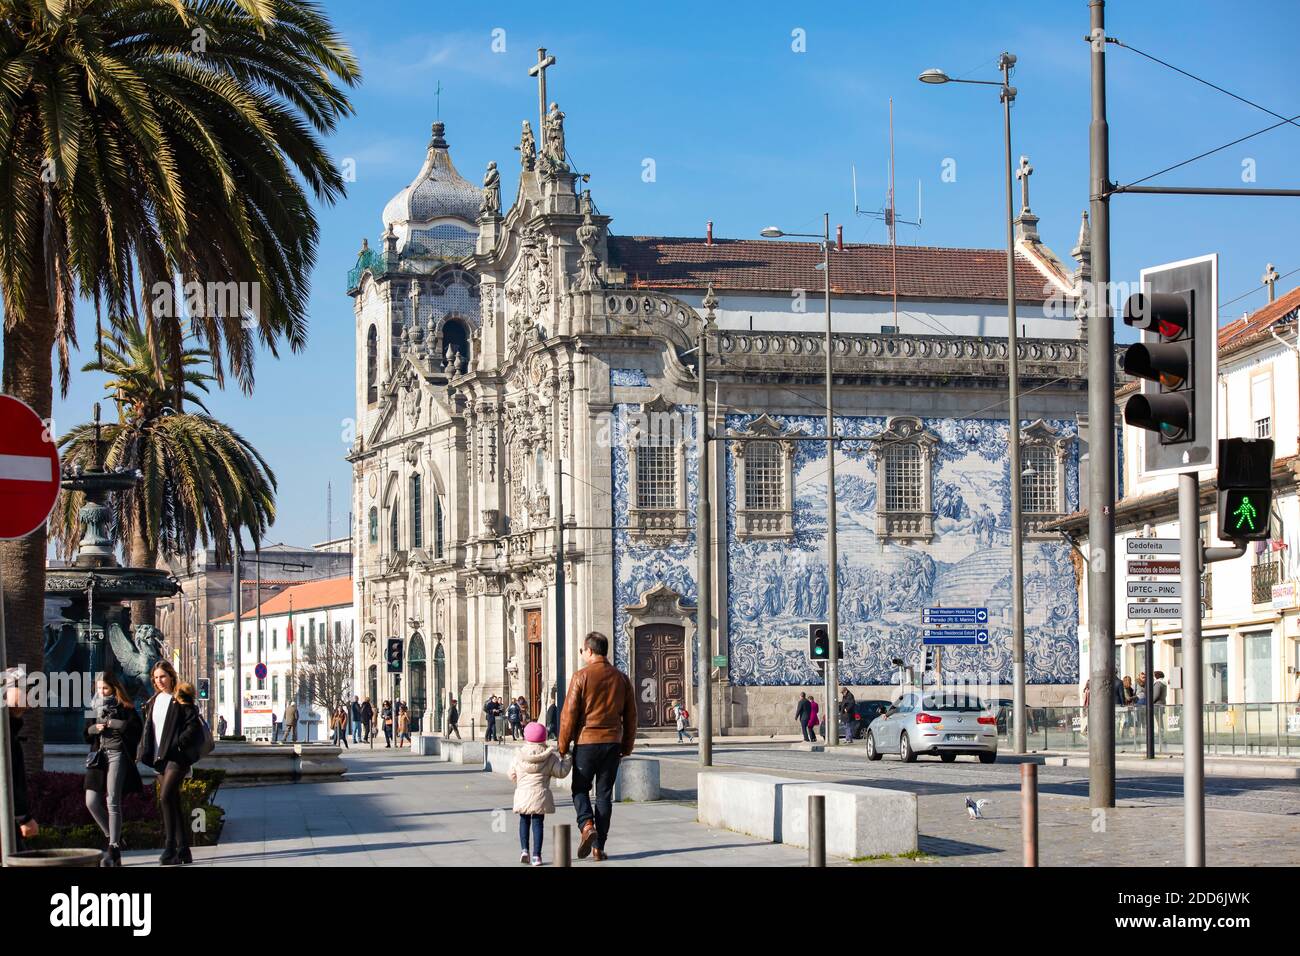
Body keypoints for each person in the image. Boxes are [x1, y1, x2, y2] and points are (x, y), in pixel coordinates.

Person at [558, 632, 637, 862]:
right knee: (604, 795)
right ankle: (598, 847)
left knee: (580, 789)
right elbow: (631, 716)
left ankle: (586, 824)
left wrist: (562, 746)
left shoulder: (581, 676)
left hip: (586, 743)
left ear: (589, 651)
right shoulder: (621, 678)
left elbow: (568, 715)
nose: (582, 654)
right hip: (612, 743)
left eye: (582, 651)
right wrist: (627, 746)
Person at [138, 661, 204, 866]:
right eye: (156, 678)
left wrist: (177, 744)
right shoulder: (154, 700)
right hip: (160, 758)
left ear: (171, 676)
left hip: (176, 757)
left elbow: (193, 725)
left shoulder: (180, 698)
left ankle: (169, 848)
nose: (159, 681)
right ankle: (184, 849)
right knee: (173, 801)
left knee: (165, 797)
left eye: (163, 677)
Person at [84, 673, 144, 867]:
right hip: (97, 757)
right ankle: (112, 836)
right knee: (91, 801)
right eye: (99, 689)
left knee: (112, 800)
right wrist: (95, 729)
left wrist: (114, 724)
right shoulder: (92, 707)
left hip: (118, 755)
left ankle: (113, 847)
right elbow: (85, 733)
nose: (101, 692)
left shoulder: (125, 707)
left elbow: (136, 729)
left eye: (105, 689)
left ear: (114, 688)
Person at [509, 721, 572, 866]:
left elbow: (511, 774)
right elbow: (561, 772)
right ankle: (537, 856)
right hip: (540, 795)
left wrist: (520, 782)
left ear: (526, 737)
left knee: (524, 821)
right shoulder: (549, 757)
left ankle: (524, 850)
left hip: (523, 794)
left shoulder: (519, 755)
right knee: (538, 823)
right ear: (544, 737)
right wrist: (568, 757)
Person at [5, 670, 39, 849]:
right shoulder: (5, 735)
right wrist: (23, 817)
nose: (29, 694)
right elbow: (8, 780)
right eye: (23, 688)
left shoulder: (10, 731)